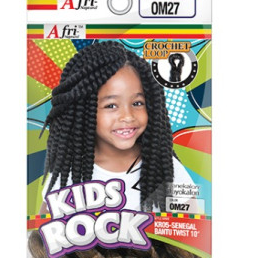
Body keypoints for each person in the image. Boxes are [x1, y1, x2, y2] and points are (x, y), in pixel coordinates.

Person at [42, 41, 193, 212]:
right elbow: (41, 227)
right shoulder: (67, 174)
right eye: (111, 105)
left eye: (137, 103)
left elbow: (194, 223)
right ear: (83, 111)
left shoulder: (165, 168)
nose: (127, 116)